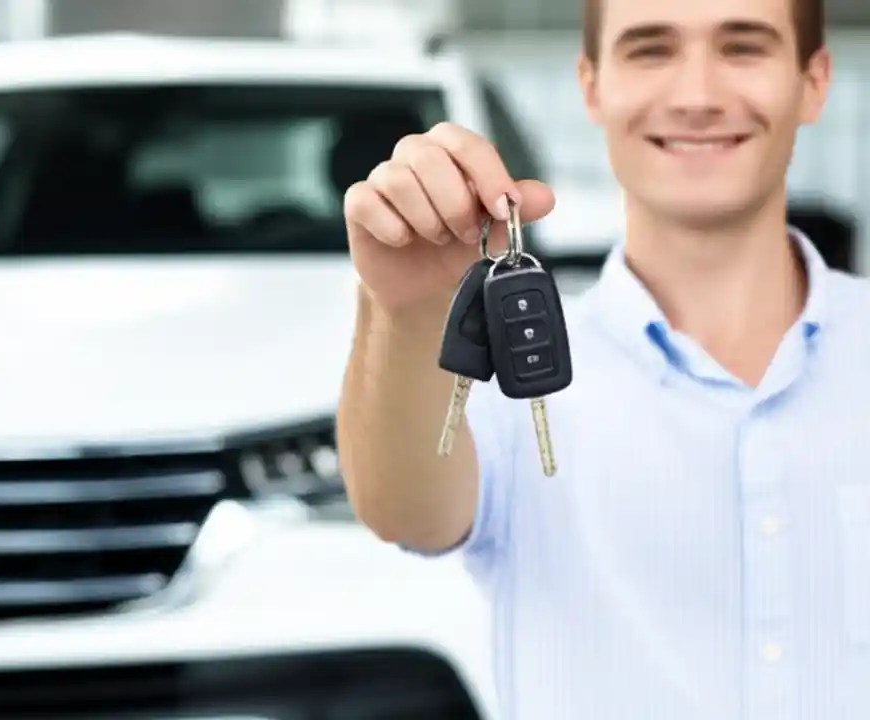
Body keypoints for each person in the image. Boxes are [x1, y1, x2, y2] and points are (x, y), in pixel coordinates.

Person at [336, 0, 870, 717]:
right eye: (651, 49)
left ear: (813, 81)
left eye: (743, 47)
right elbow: (408, 513)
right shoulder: (493, 378)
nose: (697, 95)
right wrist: (402, 311)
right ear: (591, 84)